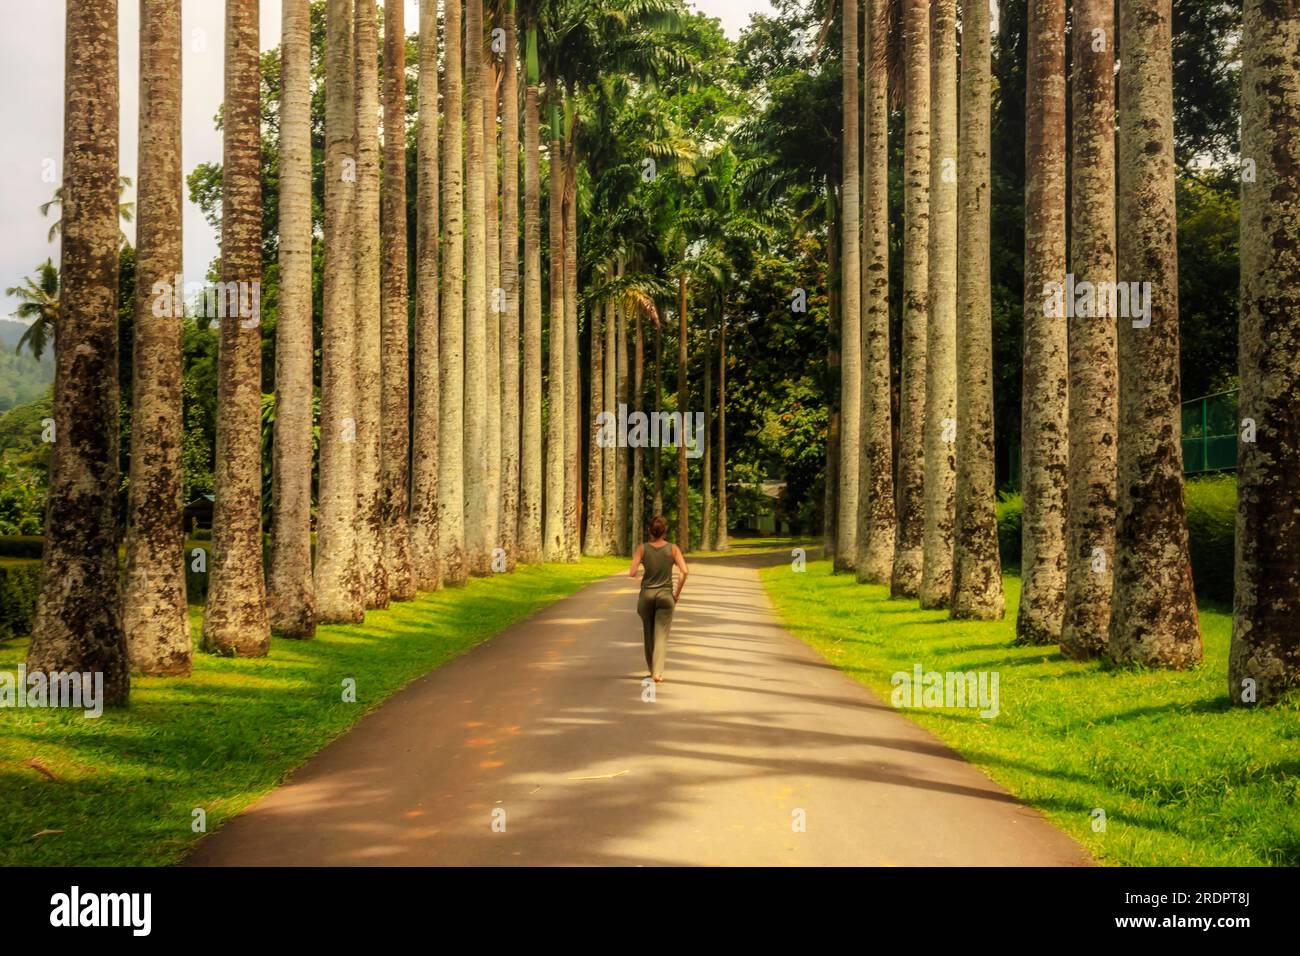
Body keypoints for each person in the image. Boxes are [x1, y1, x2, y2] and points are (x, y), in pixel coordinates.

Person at [628, 515, 689, 682]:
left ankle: (651, 670)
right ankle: (657, 673)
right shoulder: (673, 549)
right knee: (661, 634)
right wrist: (676, 593)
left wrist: (643, 578)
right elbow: (684, 572)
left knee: (649, 634)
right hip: (665, 595)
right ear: (665, 532)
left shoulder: (642, 549)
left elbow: (632, 572)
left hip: (646, 595)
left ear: (649, 531)